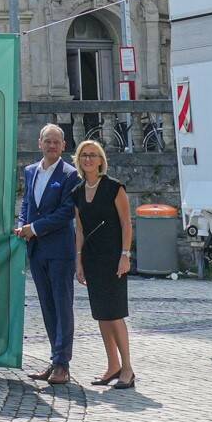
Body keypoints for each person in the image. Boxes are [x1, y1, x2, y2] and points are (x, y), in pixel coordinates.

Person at [15, 122, 81, 386]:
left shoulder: (70, 175)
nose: (52, 146)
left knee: (62, 306)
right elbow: (28, 204)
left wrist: (35, 228)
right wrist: (22, 225)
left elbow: (66, 212)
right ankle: (54, 360)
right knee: (46, 305)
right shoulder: (31, 171)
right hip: (37, 250)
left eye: (56, 142)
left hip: (59, 249)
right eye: (47, 141)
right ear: (39, 143)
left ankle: (62, 364)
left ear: (63, 146)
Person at [74, 137, 136, 390]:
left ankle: (128, 369)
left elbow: (126, 223)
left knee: (115, 313)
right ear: (78, 161)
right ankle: (112, 366)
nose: (88, 159)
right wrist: (78, 260)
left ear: (101, 160)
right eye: (83, 155)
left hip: (113, 256)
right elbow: (79, 228)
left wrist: (125, 254)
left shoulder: (114, 187)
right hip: (92, 258)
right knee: (101, 314)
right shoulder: (76, 192)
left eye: (92, 155)